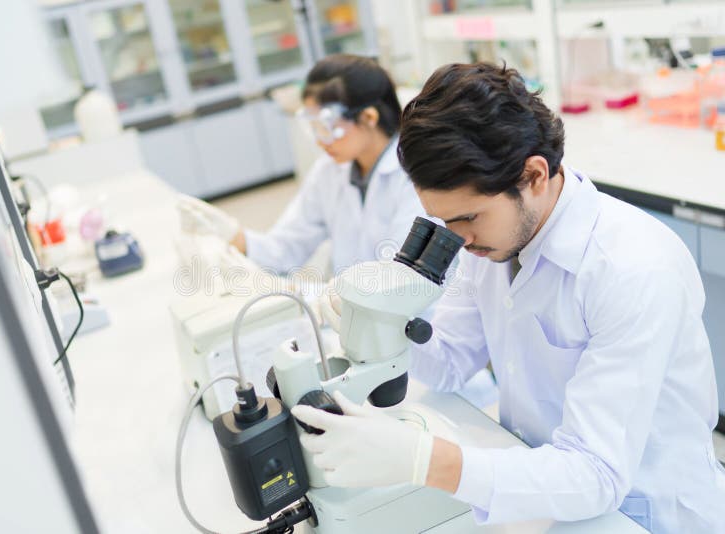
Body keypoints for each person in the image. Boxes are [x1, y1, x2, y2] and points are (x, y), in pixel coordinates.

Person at [293, 63, 725, 533]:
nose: (457, 240)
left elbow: (597, 474)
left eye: (468, 218)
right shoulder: (495, 239)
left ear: (535, 175)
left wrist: (424, 460)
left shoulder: (631, 269)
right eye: (443, 221)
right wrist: (380, 327)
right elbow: (452, 361)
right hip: (540, 486)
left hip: (641, 511)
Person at [178, 54, 426, 277]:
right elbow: (286, 248)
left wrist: (311, 294)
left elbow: (399, 278)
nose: (320, 140)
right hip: (349, 312)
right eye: (313, 127)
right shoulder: (329, 171)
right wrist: (235, 236)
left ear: (368, 117)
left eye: (326, 127)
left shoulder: (415, 174)